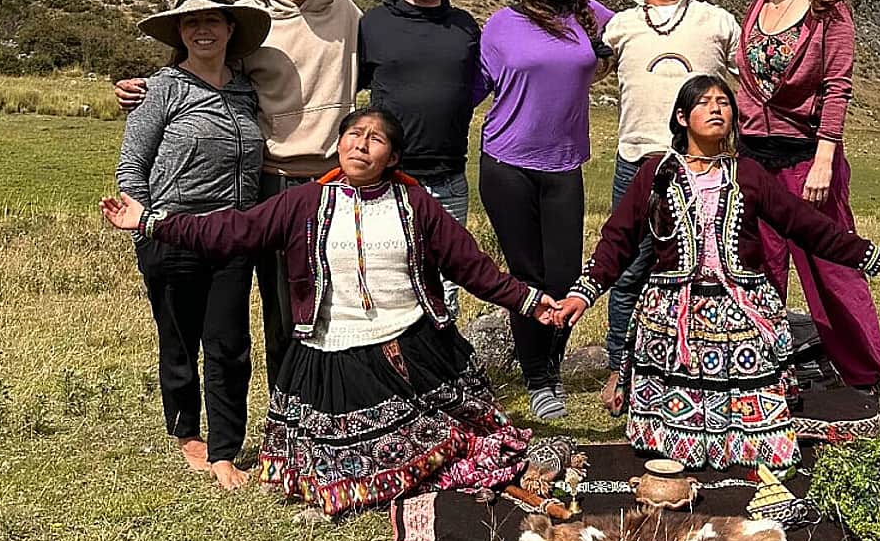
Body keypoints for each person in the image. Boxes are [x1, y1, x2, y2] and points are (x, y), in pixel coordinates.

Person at [101, 108, 561, 518]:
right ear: (338, 145)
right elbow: (233, 230)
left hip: (413, 344)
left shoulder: (416, 204)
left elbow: (470, 265)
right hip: (333, 348)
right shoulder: (304, 203)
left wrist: (527, 301)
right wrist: (149, 222)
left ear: (392, 158)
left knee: (470, 441)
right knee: (337, 477)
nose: (361, 144)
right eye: (353, 134)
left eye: (375, 139)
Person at [554, 75, 880, 471]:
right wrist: (583, 294)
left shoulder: (749, 174)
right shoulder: (657, 172)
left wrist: (870, 255)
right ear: (682, 117)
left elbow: (806, 225)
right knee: (670, 445)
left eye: (724, 103)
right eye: (705, 103)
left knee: (762, 440)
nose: (717, 109)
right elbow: (617, 241)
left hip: (742, 307)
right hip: (673, 315)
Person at [115, 0, 362, 392]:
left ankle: (337, 401)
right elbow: (200, 70)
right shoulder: (249, 17)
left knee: (338, 296)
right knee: (279, 306)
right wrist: (146, 89)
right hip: (270, 179)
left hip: (333, 179)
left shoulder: (348, 14)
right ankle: (287, 413)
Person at [115, 0, 272, 490]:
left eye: (212, 20)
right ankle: (187, 431)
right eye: (191, 22)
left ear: (230, 28)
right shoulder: (160, 88)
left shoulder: (247, 89)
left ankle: (226, 447)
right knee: (179, 340)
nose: (202, 29)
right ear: (180, 33)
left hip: (233, 235)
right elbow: (131, 166)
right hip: (172, 232)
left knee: (228, 344)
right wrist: (145, 226)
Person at [734, 0, 880, 391]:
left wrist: (825, 157)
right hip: (754, 156)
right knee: (759, 267)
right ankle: (758, 368)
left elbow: (837, 85)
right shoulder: (757, 6)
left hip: (807, 157)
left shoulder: (828, 7)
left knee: (830, 265)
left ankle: (865, 372)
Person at [478, 0, 614, 420]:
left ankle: (550, 359)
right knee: (526, 273)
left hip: (563, 165)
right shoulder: (500, 25)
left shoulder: (591, 16)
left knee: (563, 274)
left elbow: (638, 35)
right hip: (505, 162)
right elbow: (472, 88)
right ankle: (538, 376)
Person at [596, 0, 740, 415]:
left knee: (707, 265)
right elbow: (575, 62)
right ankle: (621, 366)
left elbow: (760, 71)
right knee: (629, 267)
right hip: (637, 161)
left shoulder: (717, 20)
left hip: (704, 163)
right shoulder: (619, 25)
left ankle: (703, 361)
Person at [358, 0, 486, 320]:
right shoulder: (373, 24)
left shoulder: (465, 27)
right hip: (388, 179)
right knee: (387, 278)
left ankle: (445, 372)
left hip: (448, 179)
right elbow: (349, 87)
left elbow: (481, 84)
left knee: (446, 280)